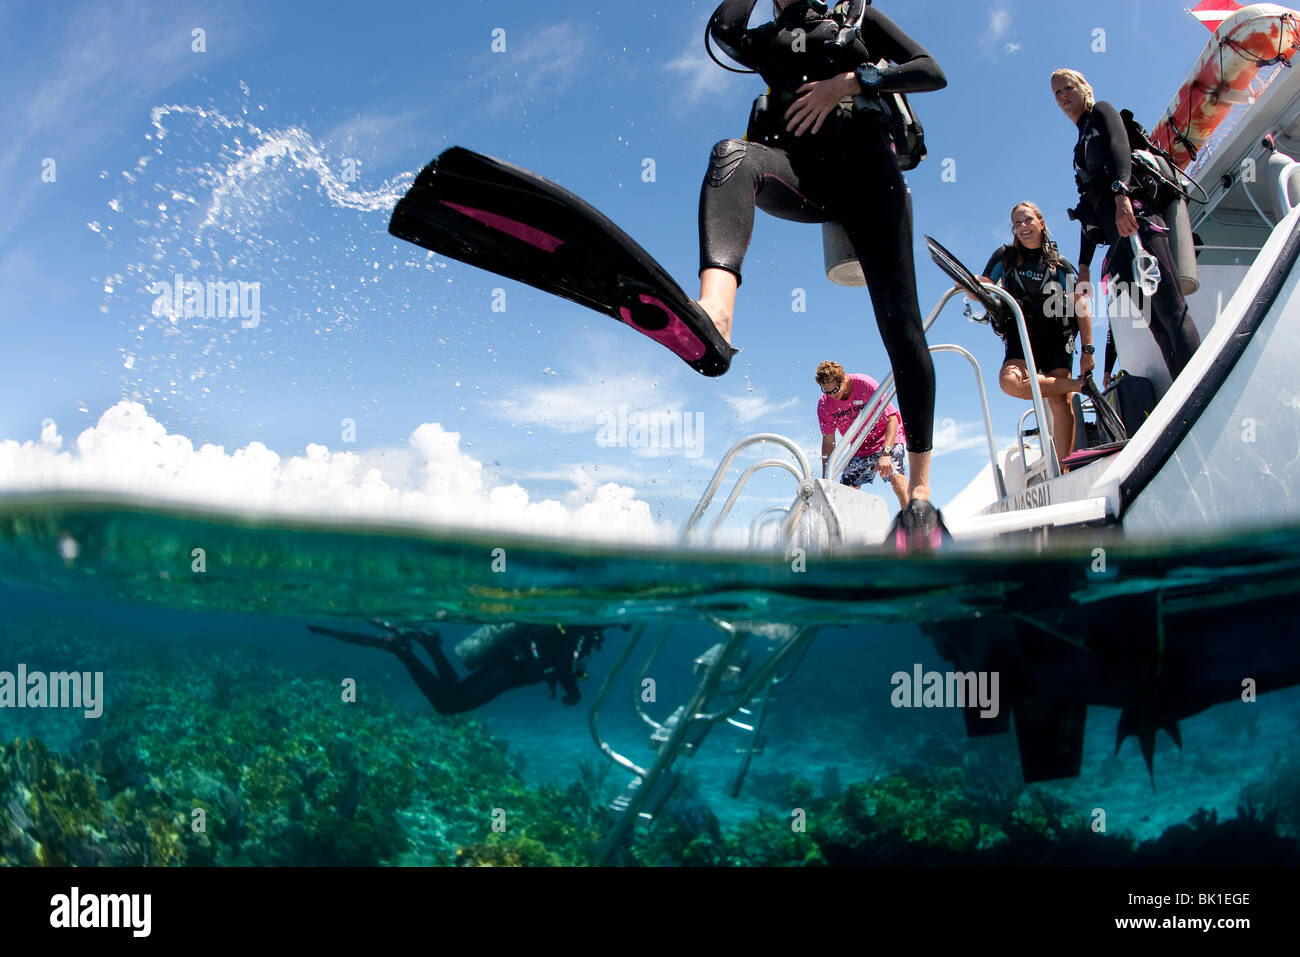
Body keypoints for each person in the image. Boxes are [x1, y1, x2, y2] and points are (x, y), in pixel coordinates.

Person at [695, 0, 949, 547]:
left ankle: (922, 495)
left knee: (902, 329)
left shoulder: (856, 16)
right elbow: (723, 29)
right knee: (731, 156)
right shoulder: (766, 38)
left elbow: (931, 71)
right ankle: (714, 312)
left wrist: (853, 82)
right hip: (806, 178)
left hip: (871, 176)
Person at [1051, 68, 1200, 383]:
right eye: (1057, 94)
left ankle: (1201, 385)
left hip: (1137, 223)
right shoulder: (1079, 148)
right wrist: (1083, 266)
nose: (1063, 96)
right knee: (1157, 326)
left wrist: (1121, 197)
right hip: (1117, 245)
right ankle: (1183, 393)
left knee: (1172, 312)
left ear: (1082, 88)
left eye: (1067, 88)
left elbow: (1120, 149)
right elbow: (1088, 208)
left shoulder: (1102, 112)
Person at [981, 202, 1094, 462]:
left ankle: (1064, 468)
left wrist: (1087, 351)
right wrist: (970, 286)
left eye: (1028, 220)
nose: (1022, 227)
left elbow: (1082, 307)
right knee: (1009, 383)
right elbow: (985, 289)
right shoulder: (1005, 256)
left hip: (1057, 337)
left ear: (1041, 223)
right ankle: (1080, 385)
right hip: (1021, 337)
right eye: (1017, 223)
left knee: (1059, 403)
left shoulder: (1060, 264)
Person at [309, 620, 611, 715]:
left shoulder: (571, 625)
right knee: (447, 705)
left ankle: (426, 646)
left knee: (452, 695)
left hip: (508, 664)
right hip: (511, 670)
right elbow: (562, 665)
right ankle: (404, 651)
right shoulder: (579, 629)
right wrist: (572, 692)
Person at [816, 360, 908, 507]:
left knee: (897, 479)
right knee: (844, 492)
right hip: (860, 448)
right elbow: (828, 442)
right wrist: (826, 477)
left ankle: (913, 521)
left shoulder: (865, 384)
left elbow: (892, 419)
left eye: (835, 390)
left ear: (844, 378)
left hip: (886, 439)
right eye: (827, 391)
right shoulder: (824, 404)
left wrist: (886, 454)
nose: (832, 396)